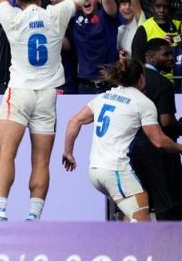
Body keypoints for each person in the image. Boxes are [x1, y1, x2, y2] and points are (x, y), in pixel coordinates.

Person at [0, 0, 95, 222]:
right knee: (41, 160)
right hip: (47, 95)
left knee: (5, 153)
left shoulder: (12, 18)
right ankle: (34, 215)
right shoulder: (55, 14)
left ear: (17, 0)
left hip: (20, 91)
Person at [62, 58, 182, 222]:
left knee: (134, 206)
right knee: (141, 219)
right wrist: (179, 147)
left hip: (95, 171)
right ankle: (121, 247)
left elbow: (74, 121)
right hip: (115, 170)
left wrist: (68, 152)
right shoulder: (142, 103)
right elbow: (159, 141)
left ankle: (120, 244)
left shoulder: (105, 97)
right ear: (141, 78)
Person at [129, 39, 182, 220]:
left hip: (133, 152)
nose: (172, 58)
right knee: (168, 206)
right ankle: (168, 246)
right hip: (160, 155)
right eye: (166, 54)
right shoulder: (163, 84)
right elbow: (166, 123)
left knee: (137, 204)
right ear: (150, 57)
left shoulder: (131, 81)